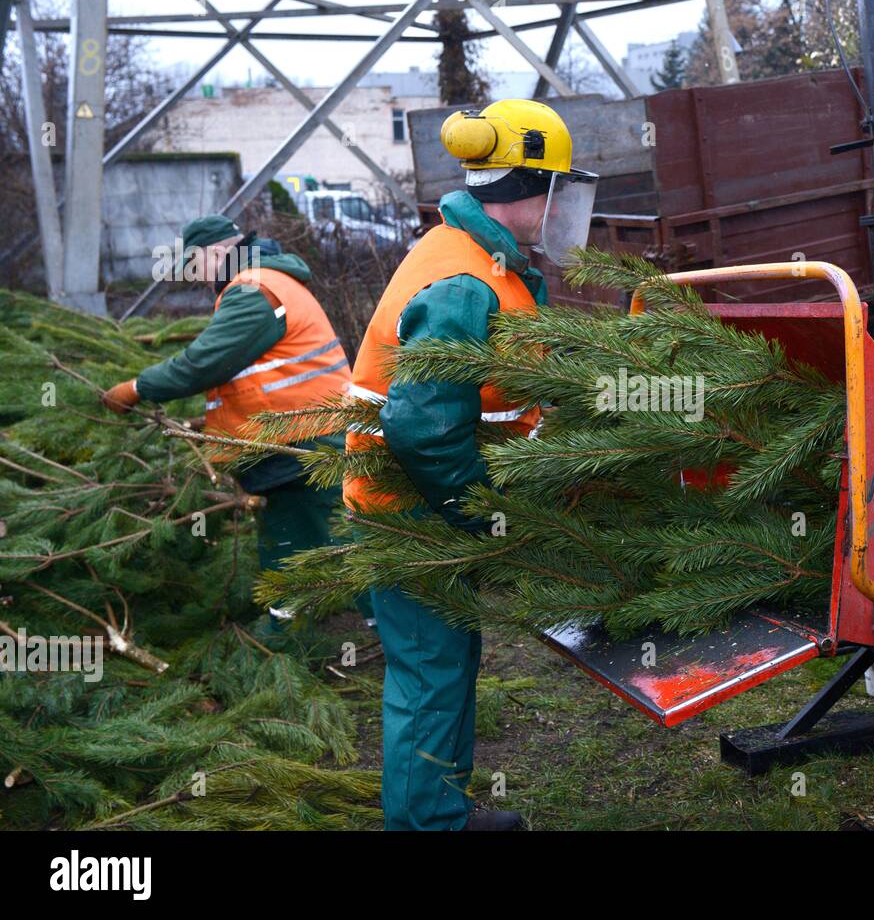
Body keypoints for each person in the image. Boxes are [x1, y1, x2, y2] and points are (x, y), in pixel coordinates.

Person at [344, 99, 599, 831]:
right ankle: (430, 824)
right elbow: (423, 424)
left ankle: (441, 808)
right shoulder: (463, 279)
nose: (565, 208)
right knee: (431, 670)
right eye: (560, 190)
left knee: (449, 661)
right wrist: (485, 515)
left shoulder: (488, 261)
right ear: (529, 188)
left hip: (425, 510)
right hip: (412, 517)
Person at [102, 215, 371, 630]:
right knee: (297, 539)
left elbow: (202, 363)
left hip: (304, 441)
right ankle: (299, 629)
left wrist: (137, 388)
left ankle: (392, 634)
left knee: (327, 539)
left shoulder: (253, 290)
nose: (199, 278)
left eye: (196, 264)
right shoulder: (264, 283)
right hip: (296, 441)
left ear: (215, 252)